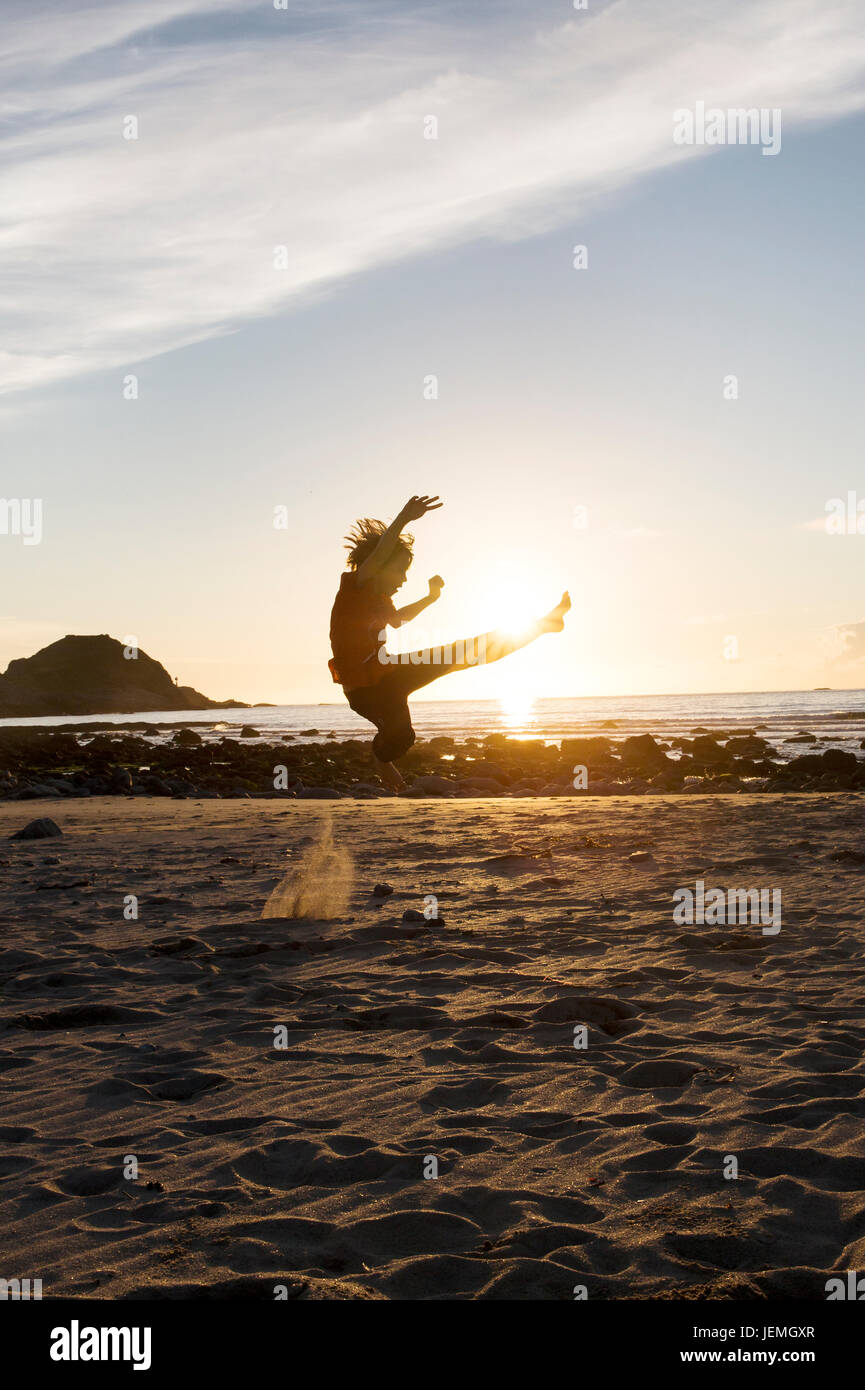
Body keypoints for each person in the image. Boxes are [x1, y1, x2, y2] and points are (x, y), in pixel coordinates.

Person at [328, 494, 570, 790]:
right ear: (380, 566)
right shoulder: (357, 587)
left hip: (389, 676)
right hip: (366, 692)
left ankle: (545, 625)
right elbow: (379, 554)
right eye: (401, 570)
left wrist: (430, 599)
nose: (404, 579)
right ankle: (381, 757)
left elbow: (396, 620)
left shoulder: (380, 599)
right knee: (402, 738)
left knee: (463, 652)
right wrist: (404, 517)